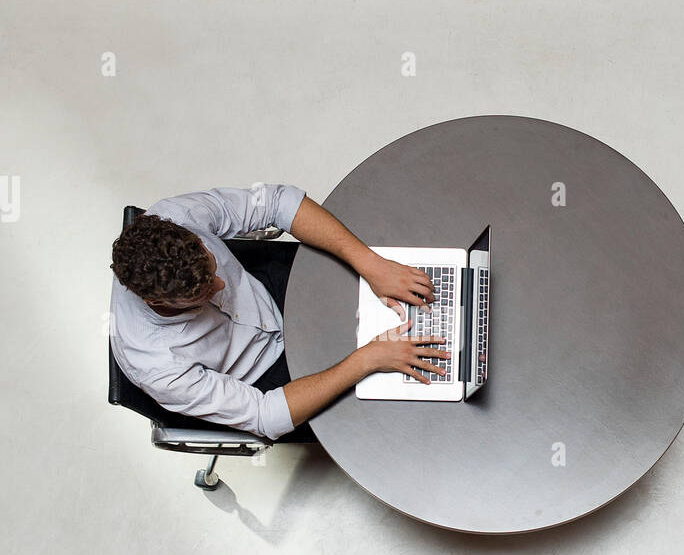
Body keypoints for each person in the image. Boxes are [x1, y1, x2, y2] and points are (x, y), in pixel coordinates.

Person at [109, 183, 451, 441]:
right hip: (267, 373)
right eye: (202, 295)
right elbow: (264, 416)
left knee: (411, 280)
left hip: (268, 286)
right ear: (159, 303)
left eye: (214, 270)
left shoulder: (178, 218)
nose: (221, 287)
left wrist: (370, 263)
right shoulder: (156, 366)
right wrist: (367, 360)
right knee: (406, 412)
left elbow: (276, 202)